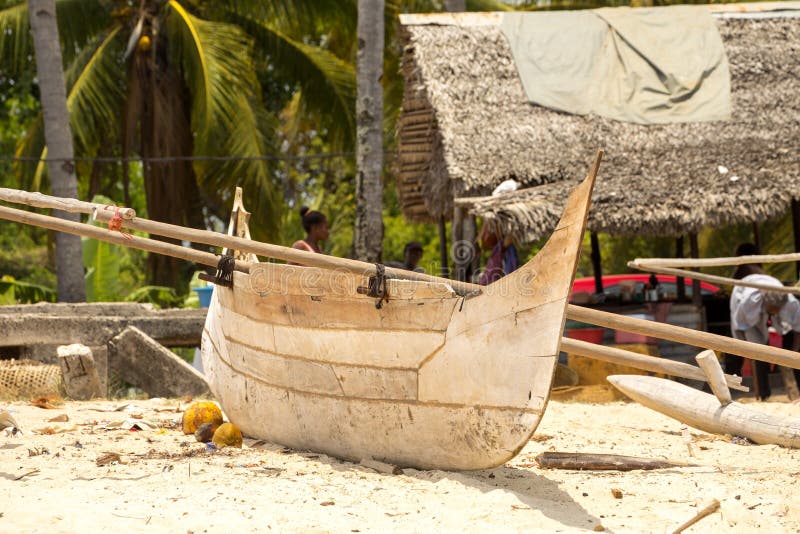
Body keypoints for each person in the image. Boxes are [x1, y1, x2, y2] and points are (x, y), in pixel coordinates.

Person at [727, 243, 800, 399]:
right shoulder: (748, 302)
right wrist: (748, 348)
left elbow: (798, 329)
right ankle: (762, 394)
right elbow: (739, 326)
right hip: (747, 314)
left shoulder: (790, 302)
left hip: (770, 297)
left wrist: (792, 355)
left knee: (793, 348)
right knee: (758, 350)